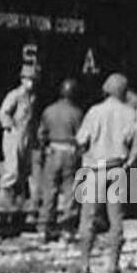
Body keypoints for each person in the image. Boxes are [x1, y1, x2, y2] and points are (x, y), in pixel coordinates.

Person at [73, 73, 137, 273]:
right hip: (118, 170)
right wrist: (130, 161)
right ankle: (112, 266)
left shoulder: (94, 111)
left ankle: (84, 264)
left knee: (88, 218)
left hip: (95, 170)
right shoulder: (131, 113)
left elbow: (81, 140)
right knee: (116, 220)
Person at [36, 78, 84, 242]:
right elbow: (81, 137)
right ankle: (66, 229)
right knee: (70, 191)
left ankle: (44, 228)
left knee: (49, 191)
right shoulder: (77, 113)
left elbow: (41, 134)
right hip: (69, 153)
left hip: (52, 152)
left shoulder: (48, 110)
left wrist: (45, 149)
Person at [0, 64, 38, 209]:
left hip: (26, 136)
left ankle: (18, 200)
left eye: (33, 79)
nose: (30, 82)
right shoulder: (15, 95)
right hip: (13, 135)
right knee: (12, 169)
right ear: (22, 79)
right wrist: (9, 126)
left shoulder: (32, 97)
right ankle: (3, 199)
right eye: (28, 79)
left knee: (24, 171)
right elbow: (3, 112)